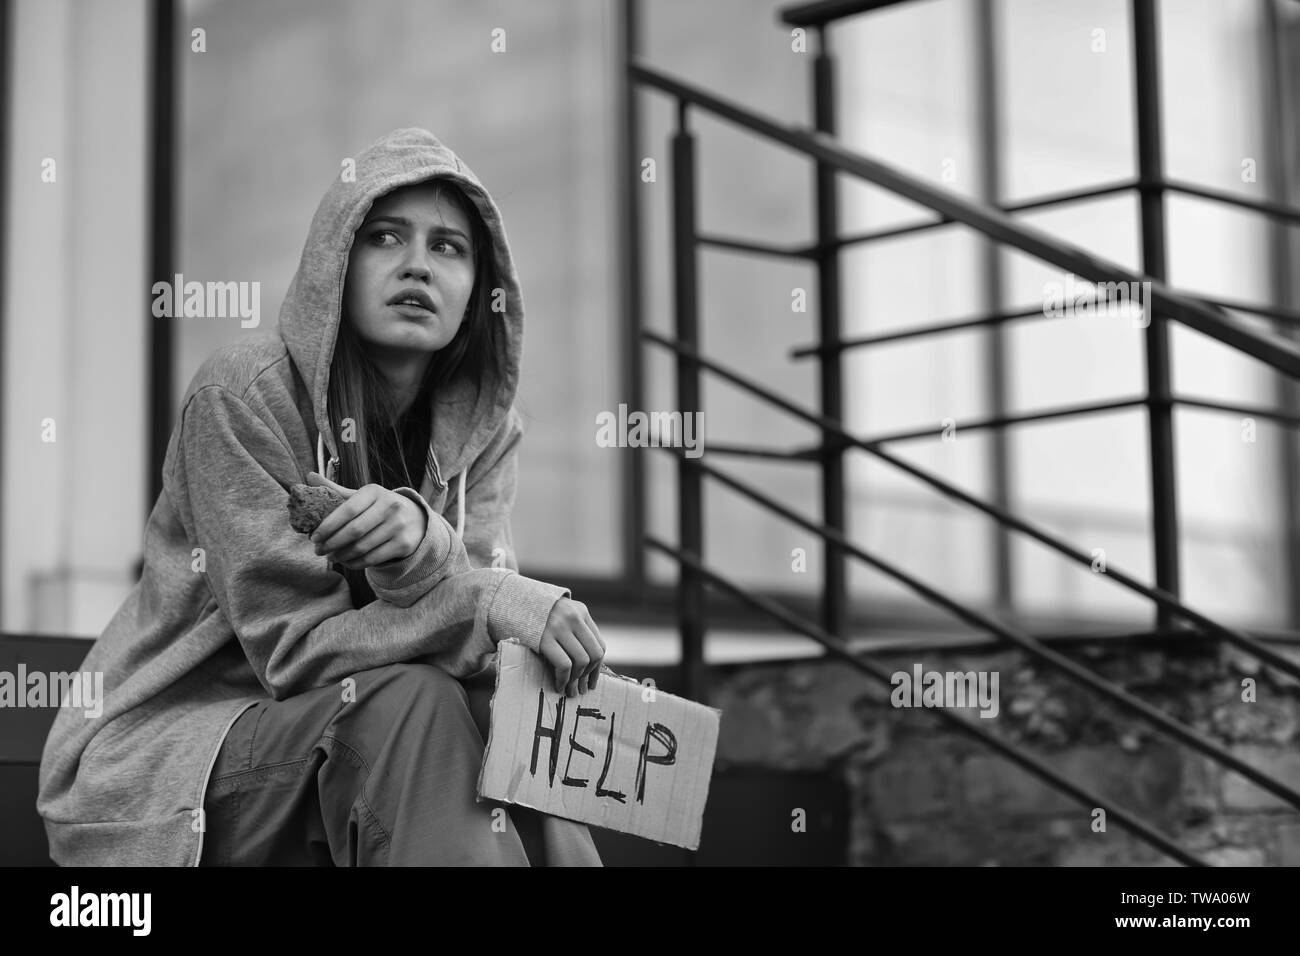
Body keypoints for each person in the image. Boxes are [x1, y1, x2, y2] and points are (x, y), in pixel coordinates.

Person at [37, 128, 606, 866]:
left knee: (504, 711)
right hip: (169, 762)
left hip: (363, 747)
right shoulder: (242, 394)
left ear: (480, 289)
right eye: (385, 237)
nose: (416, 267)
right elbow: (295, 655)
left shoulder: (486, 436)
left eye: (448, 248)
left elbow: (473, 644)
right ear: (335, 260)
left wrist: (436, 557)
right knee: (418, 703)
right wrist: (488, 602)